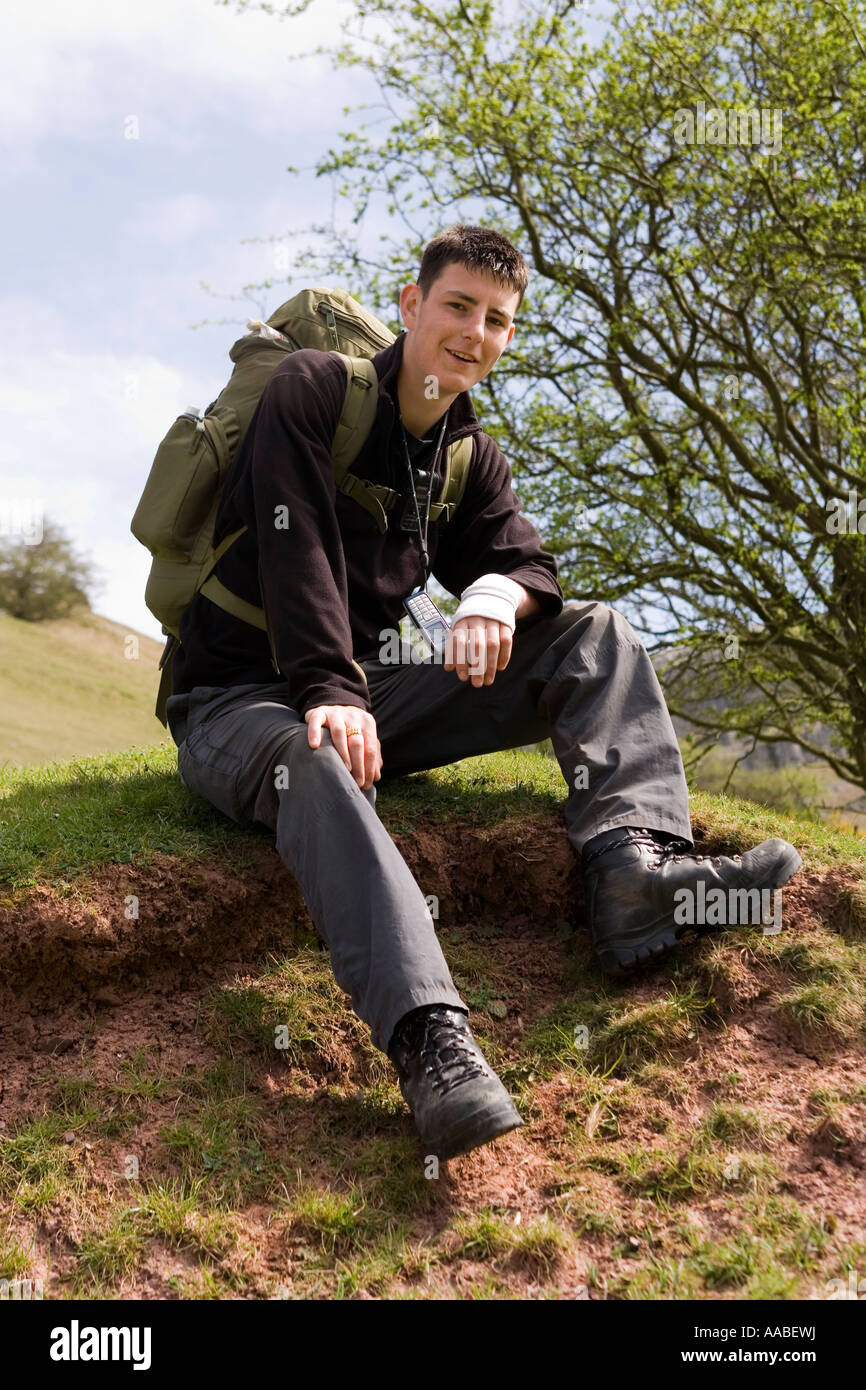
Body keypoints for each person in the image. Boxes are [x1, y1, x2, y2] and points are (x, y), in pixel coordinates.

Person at [164, 224, 801, 1162]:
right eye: (458, 306)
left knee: (596, 631)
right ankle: (432, 1046)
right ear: (413, 306)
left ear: (507, 339)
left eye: (497, 320)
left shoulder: (469, 458)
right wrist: (330, 690)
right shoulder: (309, 391)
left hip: (359, 689)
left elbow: (525, 561)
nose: (474, 331)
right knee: (318, 758)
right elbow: (294, 537)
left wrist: (494, 600)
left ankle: (637, 875)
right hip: (233, 701)